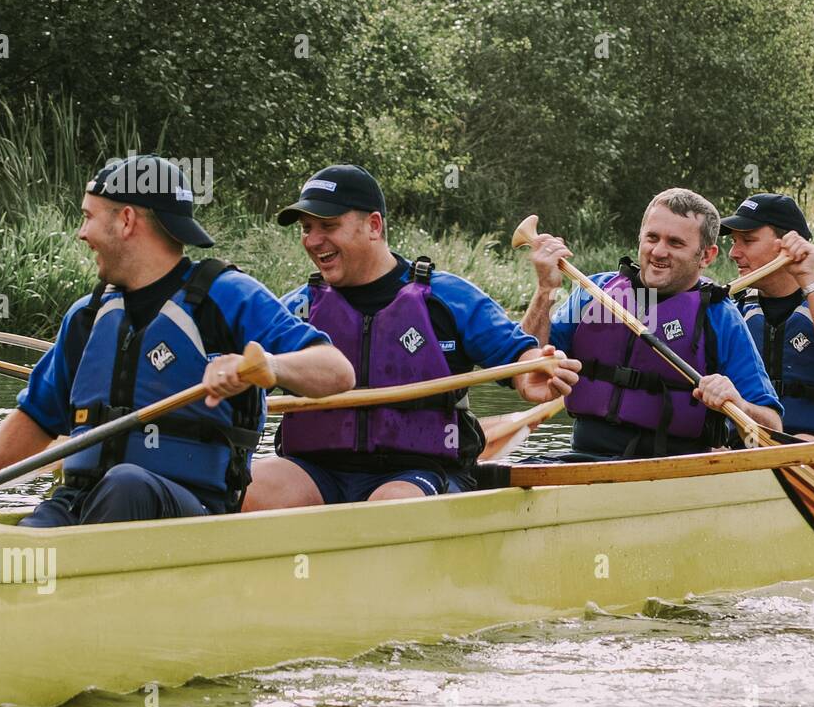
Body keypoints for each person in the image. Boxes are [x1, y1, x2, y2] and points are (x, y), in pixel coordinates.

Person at [0, 154, 353, 524]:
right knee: (2, 560)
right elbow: (38, 416)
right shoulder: (87, 316)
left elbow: (337, 373)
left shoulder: (229, 296)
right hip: (82, 501)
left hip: (187, 512)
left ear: (126, 220)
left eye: (88, 217)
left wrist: (269, 365)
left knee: (127, 484)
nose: (81, 233)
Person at [242, 165, 579, 509]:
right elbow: (243, 369)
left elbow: (520, 359)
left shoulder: (447, 298)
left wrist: (533, 370)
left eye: (328, 226)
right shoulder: (297, 308)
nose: (313, 240)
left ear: (373, 226)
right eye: (306, 228)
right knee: (252, 488)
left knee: (390, 504)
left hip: (421, 470)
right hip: (315, 470)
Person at [520, 187, 782, 458]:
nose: (658, 251)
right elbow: (522, 369)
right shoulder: (595, 291)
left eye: (675, 243)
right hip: (583, 457)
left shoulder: (721, 318)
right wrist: (544, 290)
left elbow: (771, 426)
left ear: (706, 256)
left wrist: (738, 404)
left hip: (675, 470)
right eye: (652, 238)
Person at [721, 194, 814, 439]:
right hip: (745, 451)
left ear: (787, 245)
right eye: (733, 241)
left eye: (747, 241)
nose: (733, 252)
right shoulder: (731, 307)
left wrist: (809, 279)